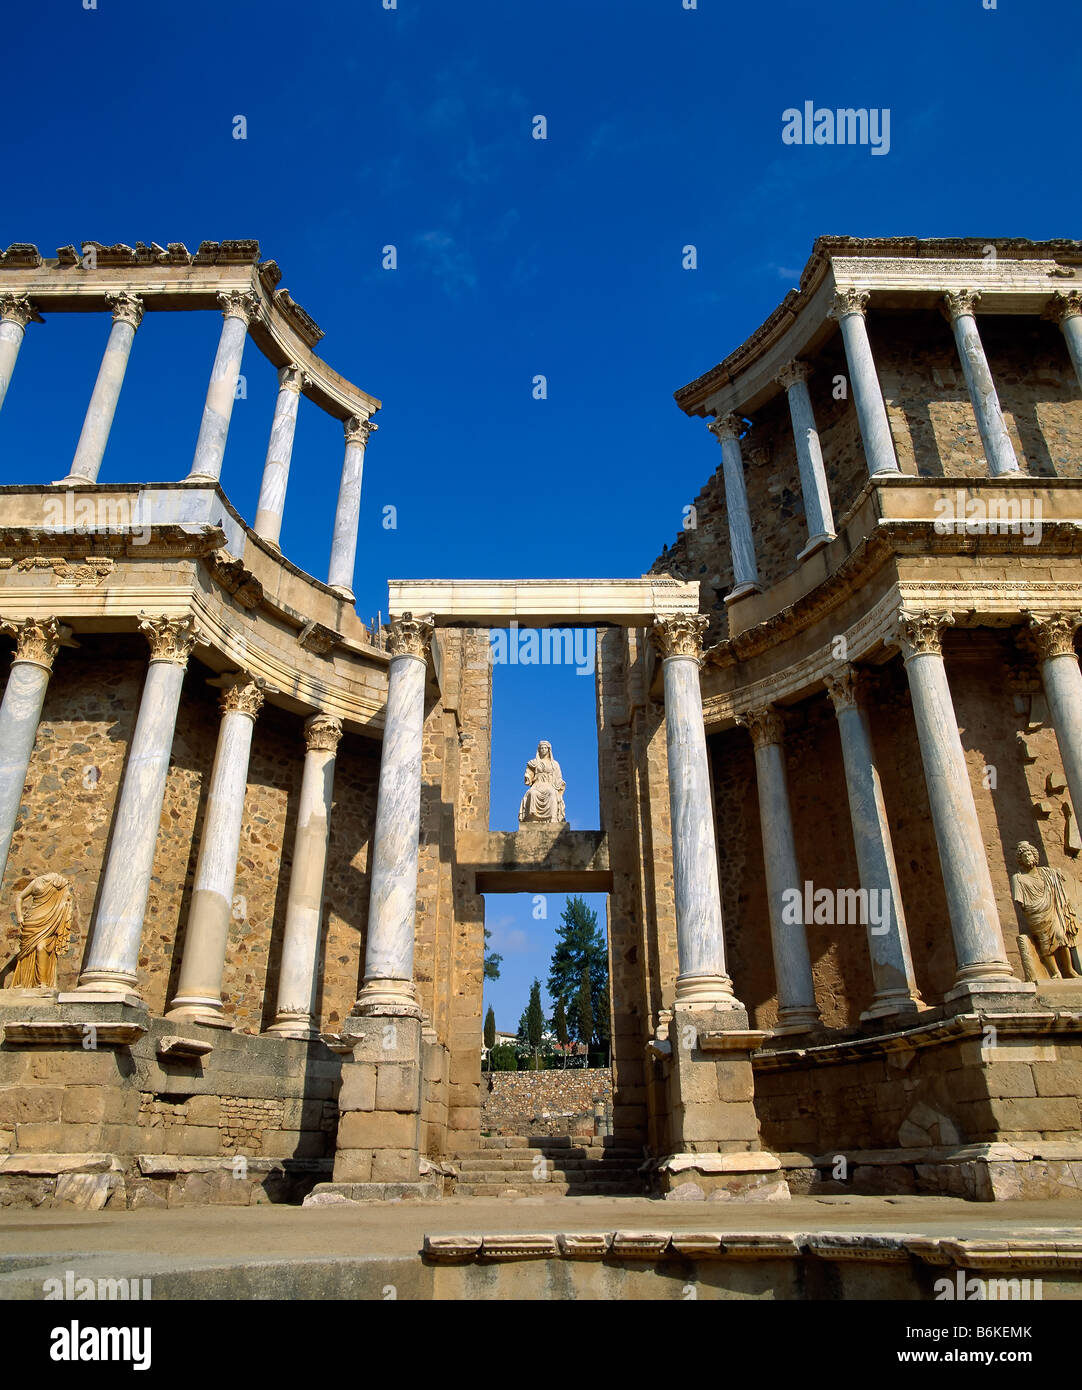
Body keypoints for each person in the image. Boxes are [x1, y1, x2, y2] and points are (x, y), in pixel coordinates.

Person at [1011, 841, 1080, 979]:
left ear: (1035, 856)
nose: (1027, 857)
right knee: (1045, 943)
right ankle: (1055, 972)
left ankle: (1070, 970)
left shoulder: (1047, 873)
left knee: (1061, 937)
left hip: (1051, 909)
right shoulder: (1018, 878)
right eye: (1024, 855)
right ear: (1020, 860)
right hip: (1036, 914)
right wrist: (1032, 909)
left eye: (1029, 854)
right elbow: (1020, 900)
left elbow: (1058, 878)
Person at [7, 873, 77, 989]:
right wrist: (19, 916)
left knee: (41, 947)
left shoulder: (60, 882)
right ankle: (24, 982)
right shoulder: (37, 881)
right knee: (27, 952)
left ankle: (43, 982)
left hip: (49, 922)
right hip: (31, 922)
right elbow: (20, 897)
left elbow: (67, 899)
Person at [518, 740, 566, 823]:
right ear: (539, 750)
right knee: (532, 793)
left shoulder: (554, 764)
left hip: (549, 785)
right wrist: (528, 776)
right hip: (537, 785)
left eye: (545, 748)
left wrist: (560, 783)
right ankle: (533, 818)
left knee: (552, 793)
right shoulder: (534, 762)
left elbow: (558, 777)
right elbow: (529, 774)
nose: (543, 750)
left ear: (548, 750)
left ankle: (552, 818)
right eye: (541, 748)